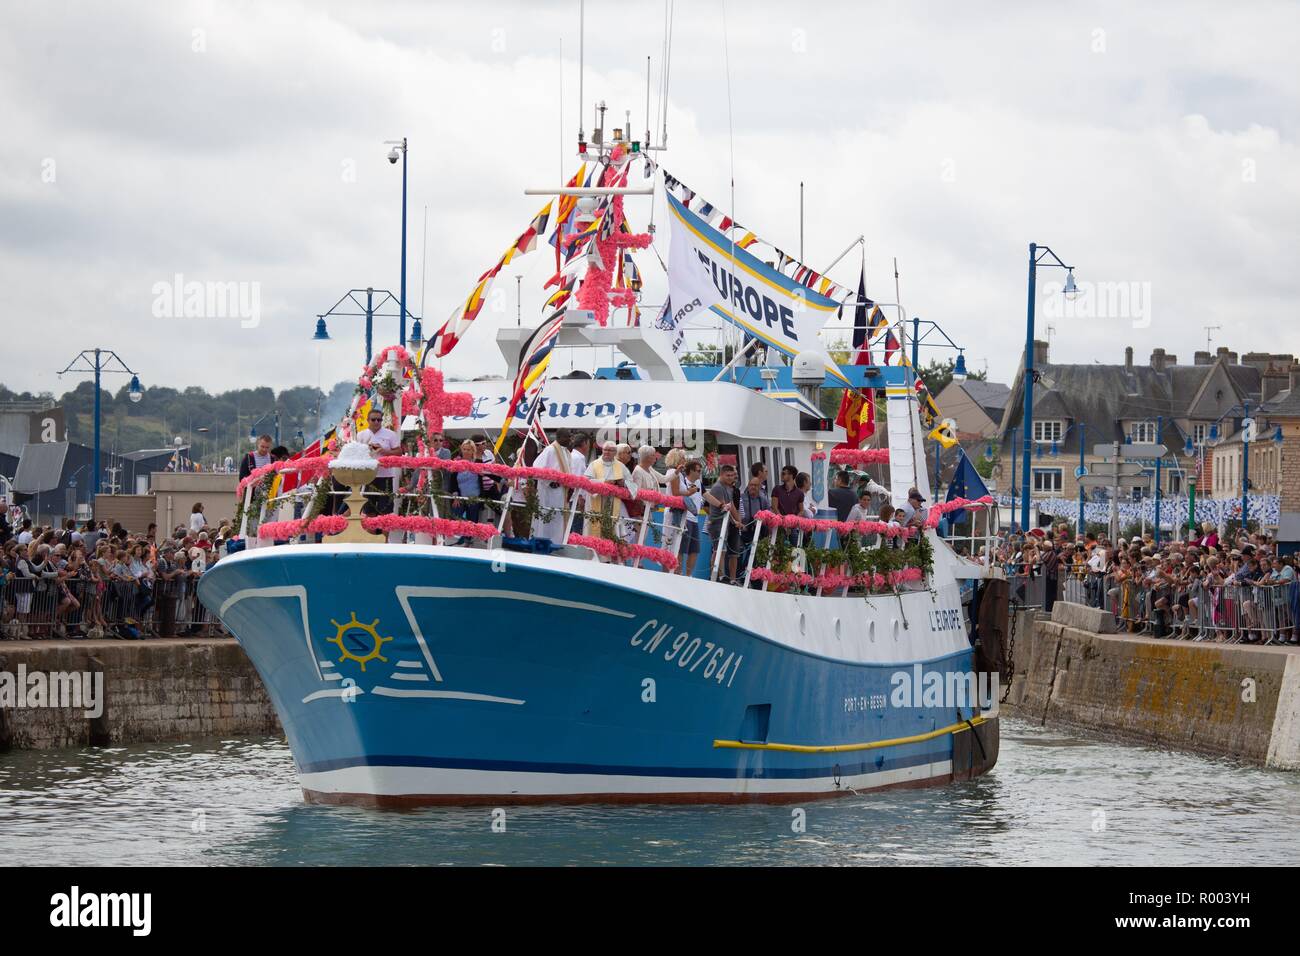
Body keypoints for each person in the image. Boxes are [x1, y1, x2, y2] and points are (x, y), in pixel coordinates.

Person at [583, 441, 634, 543]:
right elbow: (585, 482)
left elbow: (632, 485)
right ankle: (593, 555)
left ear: (615, 452)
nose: (606, 452)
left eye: (610, 450)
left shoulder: (620, 466)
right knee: (594, 531)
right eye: (605, 450)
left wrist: (622, 482)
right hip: (596, 501)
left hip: (613, 503)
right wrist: (603, 482)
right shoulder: (594, 464)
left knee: (612, 531)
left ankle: (608, 556)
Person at [356, 409, 401, 515]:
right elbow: (356, 454)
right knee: (369, 509)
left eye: (379, 420)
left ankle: (383, 531)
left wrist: (384, 451)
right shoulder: (360, 435)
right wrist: (365, 450)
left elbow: (399, 452)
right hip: (367, 476)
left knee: (386, 510)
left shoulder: (390, 434)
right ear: (368, 420)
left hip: (385, 476)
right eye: (373, 419)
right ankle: (371, 531)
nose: (376, 422)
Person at [532, 429, 573, 546]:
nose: (570, 440)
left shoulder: (567, 452)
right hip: (549, 491)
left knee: (558, 519)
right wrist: (549, 482)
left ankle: (556, 543)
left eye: (570, 437)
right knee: (547, 518)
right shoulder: (550, 450)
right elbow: (537, 468)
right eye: (567, 437)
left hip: (562, 492)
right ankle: (543, 543)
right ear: (559, 437)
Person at [704, 464, 742, 583]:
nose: (730, 478)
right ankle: (716, 576)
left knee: (722, 550)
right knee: (718, 550)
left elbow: (731, 507)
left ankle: (720, 576)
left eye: (732, 475)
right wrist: (735, 521)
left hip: (723, 523)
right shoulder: (718, 487)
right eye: (728, 475)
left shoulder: (728, 488)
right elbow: (724, 507)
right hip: (717, 523)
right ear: (721, 475)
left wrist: (737, 521)